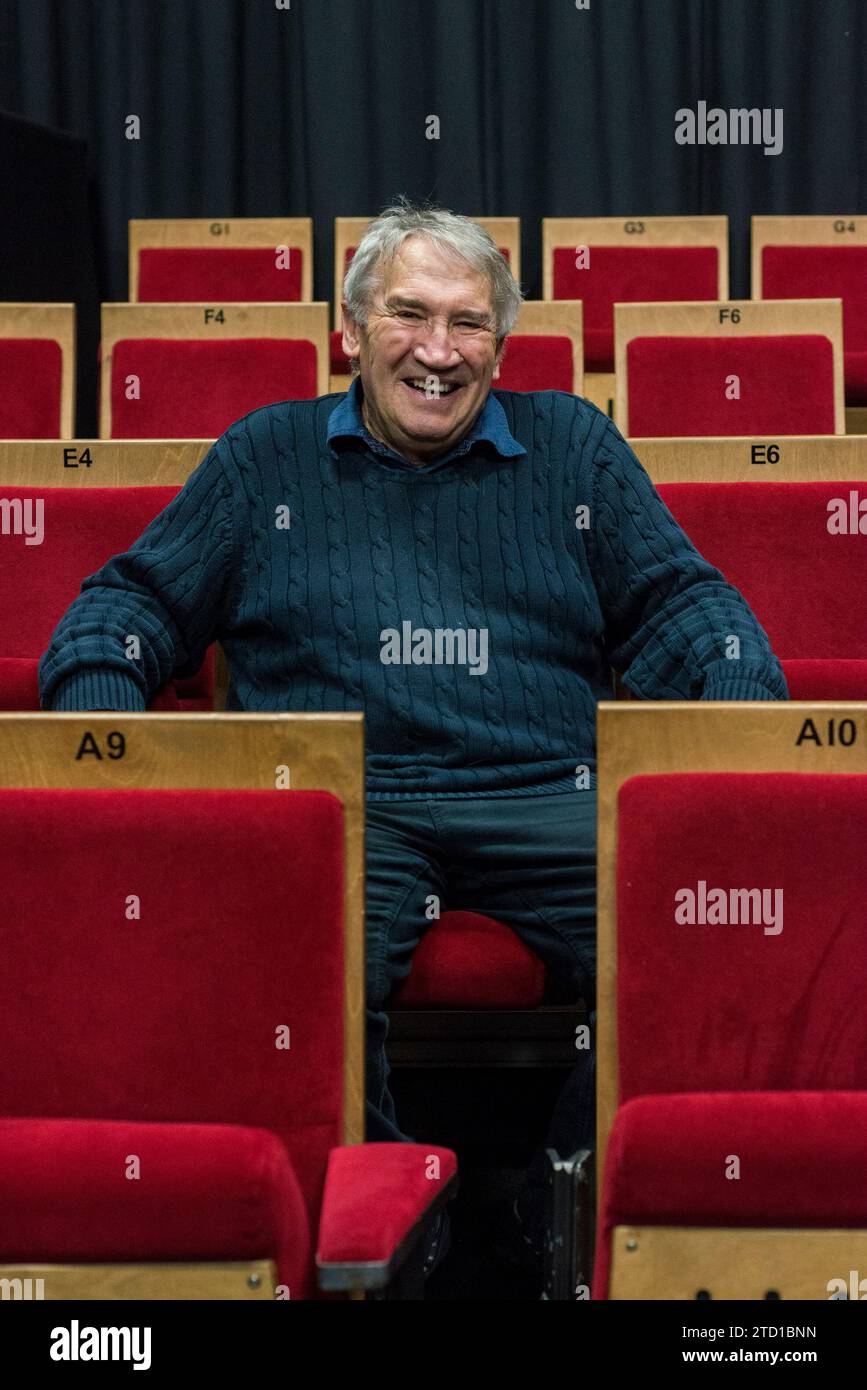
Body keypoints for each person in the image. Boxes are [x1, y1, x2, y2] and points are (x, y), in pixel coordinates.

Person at [39, 197, 787, 1276]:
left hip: (547, 789)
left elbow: (683, 606)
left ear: (501, 339)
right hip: (348, 797)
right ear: (351, 330)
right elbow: (130, 606)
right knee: (282, 957)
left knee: (714, 918)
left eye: (468, 323)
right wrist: (100, 729)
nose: (439, 352)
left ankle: (565, 1205)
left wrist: (738, 724)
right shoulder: (267, 458)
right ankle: (385, 1236)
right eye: (409, 315)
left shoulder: (571, 445)